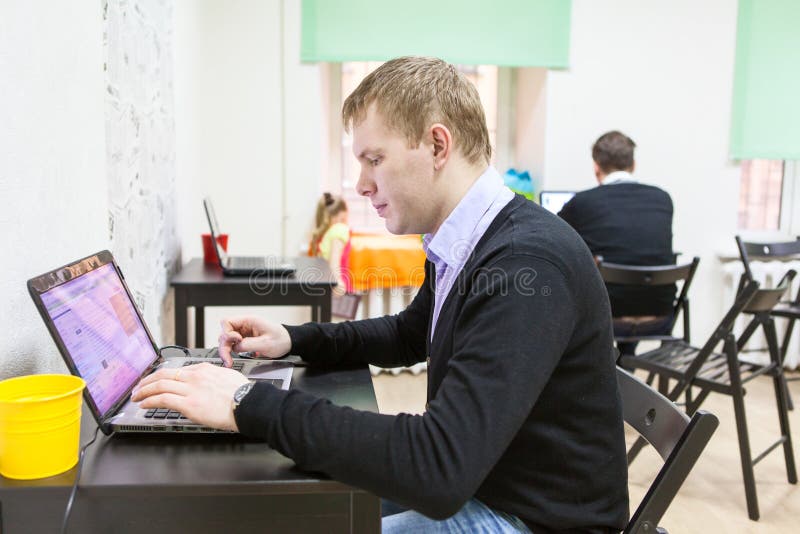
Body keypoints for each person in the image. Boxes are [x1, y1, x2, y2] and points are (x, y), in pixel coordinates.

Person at [133, 56, 629, 533]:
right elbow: (408, 333)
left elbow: (437, 465)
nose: (361, 184)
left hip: (532, 519)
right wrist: (294, 338)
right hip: (486, 481)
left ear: (437, 146)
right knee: (285, 508)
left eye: (375, 159)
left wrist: (246, 401)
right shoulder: (470, 240)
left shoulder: (524, 262)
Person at [558, 131, 675, 356]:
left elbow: (555, 241)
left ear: (596, 167)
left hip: (605, 316)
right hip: (659, 315)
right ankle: (625, 363)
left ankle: (613, 367)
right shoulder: (662, 199)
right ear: (633, 165)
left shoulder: (582, 203)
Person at [310, 192, 352, 296]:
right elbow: (334, 261)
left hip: (326, 287)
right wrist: (338, 282)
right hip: (337, 287)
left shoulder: (325, 235)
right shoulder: (339, 229)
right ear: (342, 213)